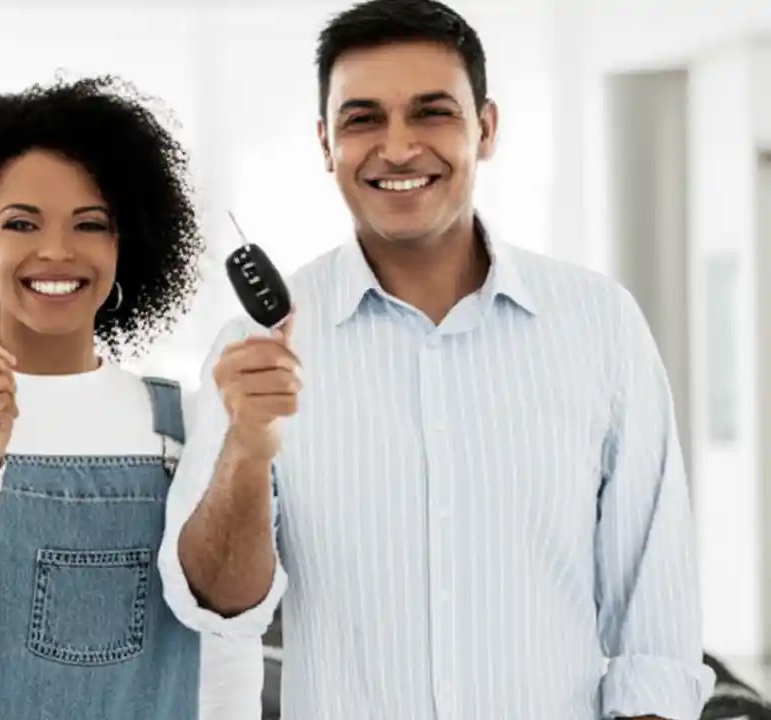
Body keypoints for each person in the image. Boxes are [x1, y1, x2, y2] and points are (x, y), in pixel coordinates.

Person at [158, 1, 716, 718]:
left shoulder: (600, 325)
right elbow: (217, 606)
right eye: (362, 119)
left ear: (484, 130)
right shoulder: (252, 351)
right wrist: (245, 452)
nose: (397, 147)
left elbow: (656, 633)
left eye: (431, 113)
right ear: (326, 143)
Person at [0, 75, 263, 720]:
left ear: (124, 244)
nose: (56, 251)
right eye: (21, 223)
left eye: (90, 224)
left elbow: (226, 660)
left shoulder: (187, 423)